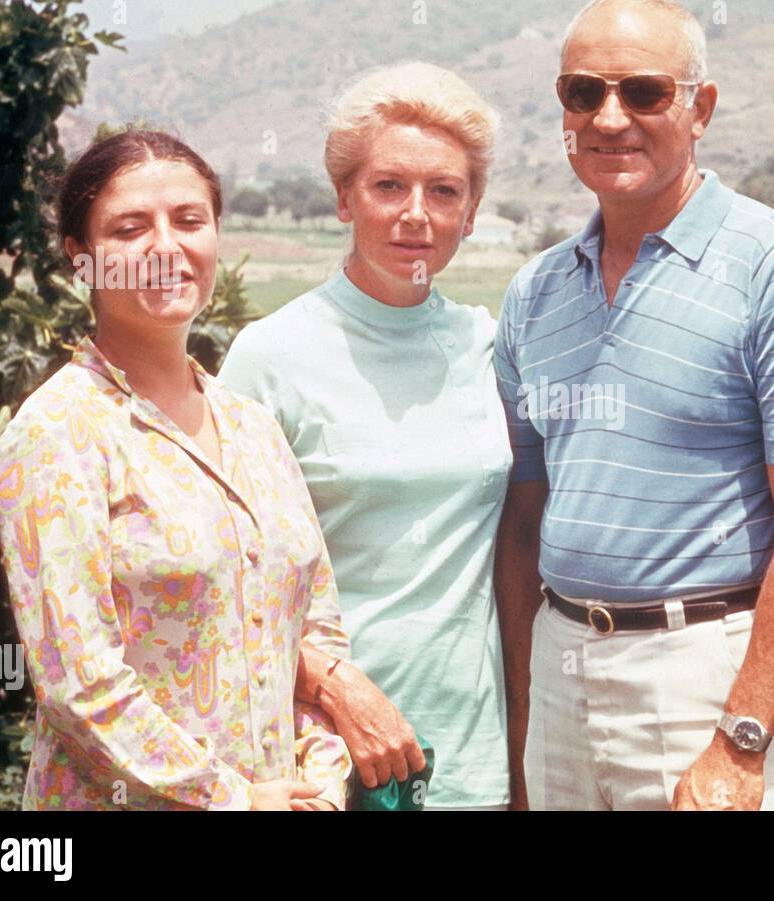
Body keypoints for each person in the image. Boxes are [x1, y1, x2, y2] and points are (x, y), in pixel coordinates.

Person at [494, 0, 774, 811]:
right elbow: (525, 522)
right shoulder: (536, 291)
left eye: (645, 92)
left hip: (701, 669)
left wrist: (741, 740)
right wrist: (526, 711)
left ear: (700, 108)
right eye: (583, 92)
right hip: (561, 661)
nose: (610, 116)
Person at [0, 129, 352, 810]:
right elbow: (79, 685)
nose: (165, 247)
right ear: (83, 260)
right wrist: (233, 797)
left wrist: (323, 781)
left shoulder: (253, 427)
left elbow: (315, 629)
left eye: (188, 220)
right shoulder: (59, 434)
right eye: (129, 227)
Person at [218, 63, 512, 810]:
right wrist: (337, 688)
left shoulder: (493, 348)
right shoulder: (270, 355)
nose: (417, 213)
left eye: (444, 191)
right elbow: (221, 584)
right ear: (345, 197)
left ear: (471, 212)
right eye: (389, 186)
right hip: (320, 751)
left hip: (471, 755)